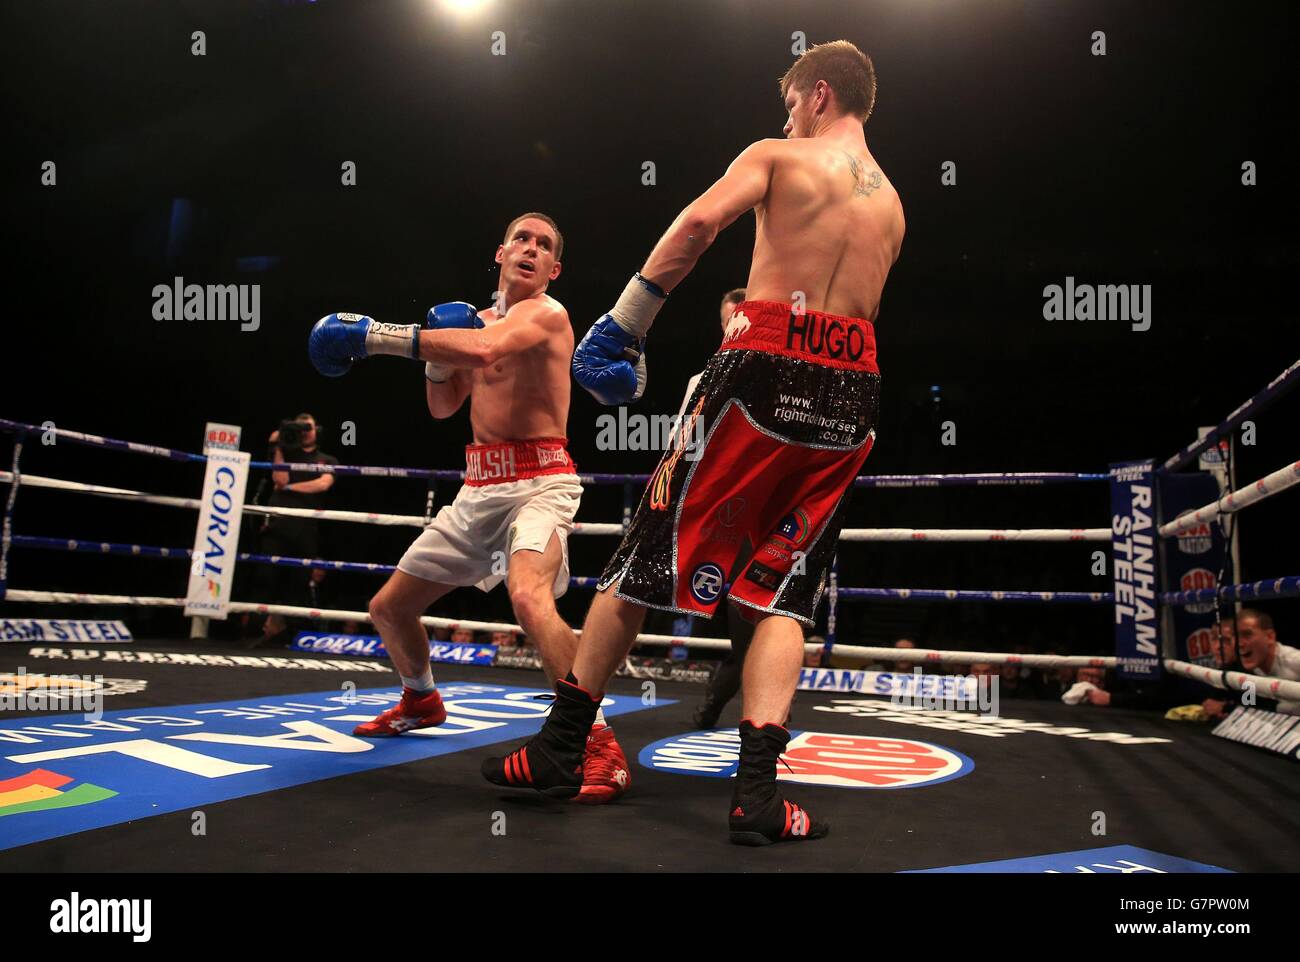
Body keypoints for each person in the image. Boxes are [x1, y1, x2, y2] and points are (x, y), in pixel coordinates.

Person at [481, 40, 904, 844]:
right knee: (788, 590)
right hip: (852, 390)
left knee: (647, 546)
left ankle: (563, 746)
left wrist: (625, 322)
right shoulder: (895, 203)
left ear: (818, 95)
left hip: (764, 363)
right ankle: (756, 798)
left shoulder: (781, 155)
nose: (786, 117)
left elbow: (702, 221)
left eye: (789, 103)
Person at [306, 212, 631, 803]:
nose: (531, 249)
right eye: (522, 239)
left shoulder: (546, 314)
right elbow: (443, 406)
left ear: (553, 270)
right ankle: (421, 698)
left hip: (542, 482)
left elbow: (483, 352)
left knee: (529, 597)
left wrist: (374, 336)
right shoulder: (471, 325)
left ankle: (596, 741)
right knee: (389, 607)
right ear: (501, 252)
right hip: (478, 488)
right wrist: (435, 361)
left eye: (545, 246)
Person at [246, 414, 337, 646]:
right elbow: (278, 477)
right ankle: (255, 631)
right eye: (300, 427)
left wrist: (288, 487)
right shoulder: (285, 453)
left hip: (306, 527)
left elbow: (322, 484)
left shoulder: (326, 459)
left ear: (317, 429)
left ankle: (293, 635)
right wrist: (278, 446)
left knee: (299, 581)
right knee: (266, 576)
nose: (305, 431)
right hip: (278, 523)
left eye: (308, 427)